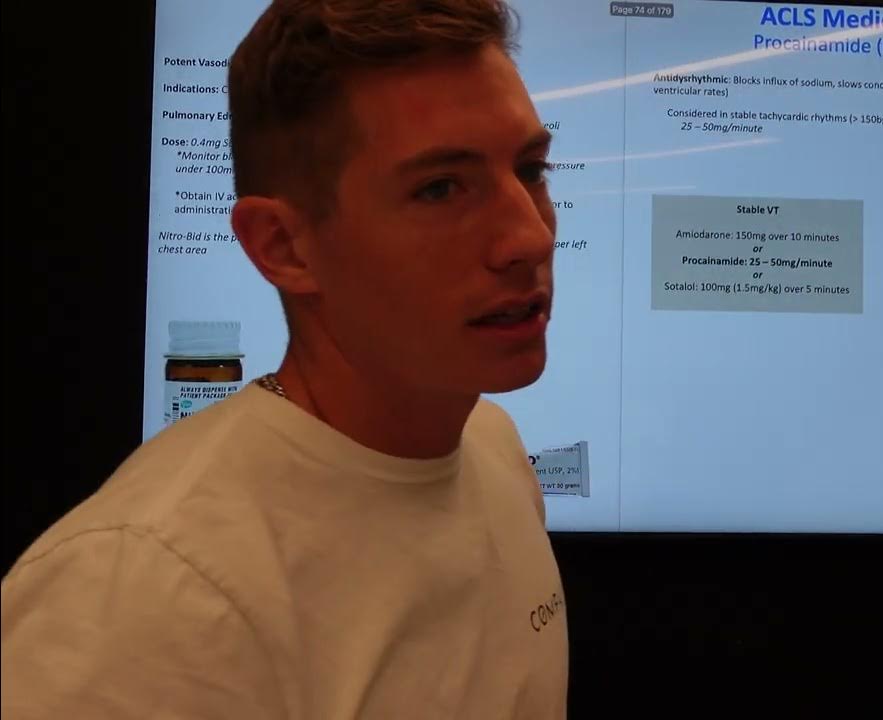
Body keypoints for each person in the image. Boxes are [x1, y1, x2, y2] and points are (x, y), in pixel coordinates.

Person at [1, 0, 567, 716]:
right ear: (284, 246)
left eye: (531, 168)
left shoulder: (493, 450)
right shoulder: (147, 595)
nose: (530, 236)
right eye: (440, 187)